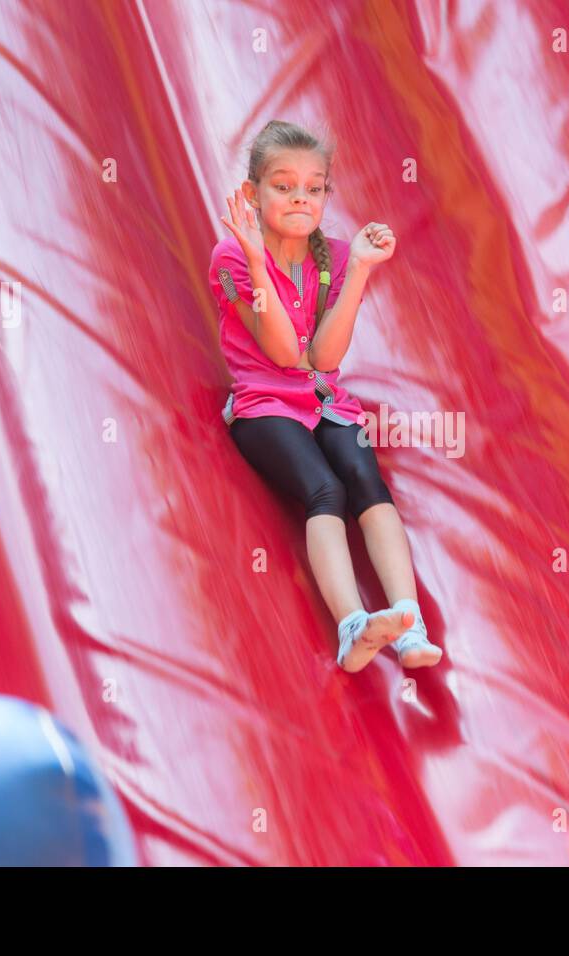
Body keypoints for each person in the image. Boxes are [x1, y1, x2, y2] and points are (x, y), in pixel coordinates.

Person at [209, 120, 442, 673]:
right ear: (252, 193)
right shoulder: (231, 260)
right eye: (283, 185)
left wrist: (358, 268)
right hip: (264, 404)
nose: (299, 197)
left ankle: (409, 621)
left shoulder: (333, 256)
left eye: (313, 188)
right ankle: (352, 626)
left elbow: (325, 360)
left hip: (325, 399)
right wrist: (260, 264)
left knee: (367, 480)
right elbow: (285, 354)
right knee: (325, 489)